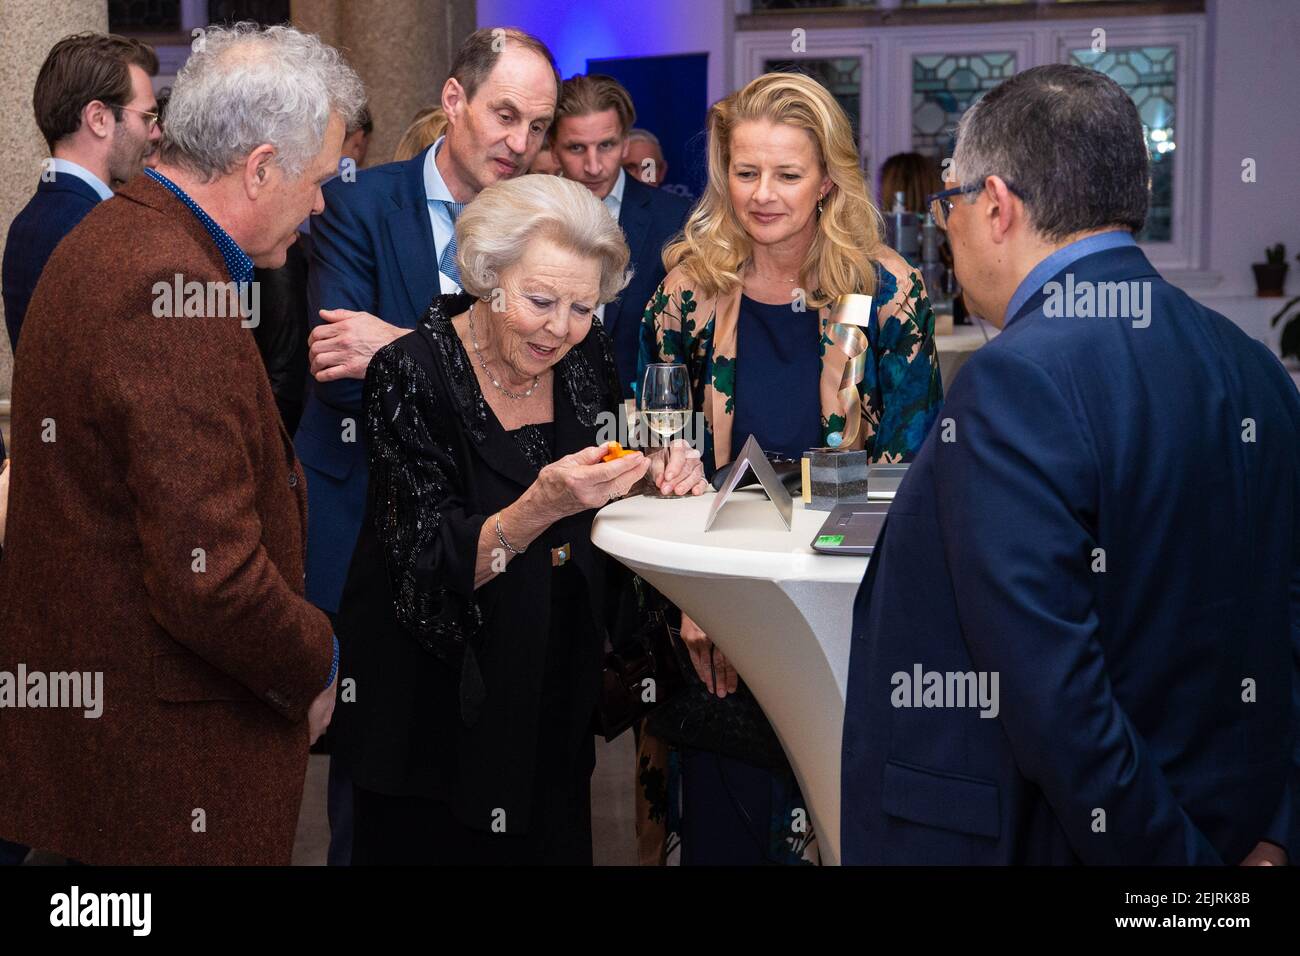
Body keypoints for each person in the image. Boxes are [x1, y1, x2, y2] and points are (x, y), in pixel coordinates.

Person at [842, 64, 1300, 865]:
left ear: (996, 204)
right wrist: (1274, 828)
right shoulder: (1251, 364)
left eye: (948, 204)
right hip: (1228, 825)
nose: (945, 229)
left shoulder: (1017, 380)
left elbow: (1057, 701)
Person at [0, 22, 365, 866]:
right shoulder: (167, 284)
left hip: (122, 762)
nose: (319, 206)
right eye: (315, 181)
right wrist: (317, 660)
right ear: (261, 165)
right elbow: (213, 578)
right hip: (166, 775)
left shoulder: (120, 235)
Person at [330, 174, 706, 864]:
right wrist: (542, 504)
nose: (559, 328)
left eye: (582, 306)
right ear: (487, 274)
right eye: (539, 300)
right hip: (430, 710)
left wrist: (654, 474)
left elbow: (606, 477)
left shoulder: (586, 356)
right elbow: (423, 563)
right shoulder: (408, 373)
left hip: (550, 694)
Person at [637, 72, 943, 865]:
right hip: (713, 630)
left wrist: (806, 614)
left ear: (828, 179)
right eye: (745, 172)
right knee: (726, 835)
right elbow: (658, 468)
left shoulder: (885, 294)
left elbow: (912, 473)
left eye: (787, 174)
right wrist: (704, 602)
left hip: (846, 620)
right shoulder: (686, 295)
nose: (762, 195)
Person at [295, 26, 559, 866]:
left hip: (504, 530)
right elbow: (341, 367)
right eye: (505, 114)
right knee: (372, 782)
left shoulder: (545, 224)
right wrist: (486, 366)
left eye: (539, 126)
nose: (522, 143)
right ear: (454, 101)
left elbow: (559, 370)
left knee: (491, 767)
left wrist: (403, 348)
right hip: (374, 531)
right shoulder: (356, 203)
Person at [2, 32, 160, 350]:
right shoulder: (101, 229)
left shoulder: (25, 223)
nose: (155, 131)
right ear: (99, 119)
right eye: (147, 117)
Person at [553, 74, 691, 397]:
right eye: (576, 148)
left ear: (625, 143)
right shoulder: (529, 216)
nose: (594, 165)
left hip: (640, 423)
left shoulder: (675, 220)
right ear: (552, 148)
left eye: (607, 145)